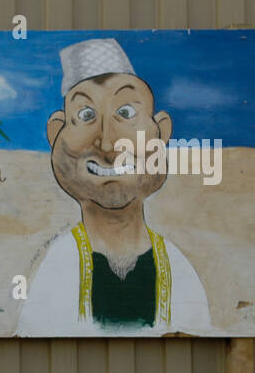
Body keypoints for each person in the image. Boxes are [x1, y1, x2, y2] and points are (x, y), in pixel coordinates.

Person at [16, 38, 212, 336]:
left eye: (127, 114)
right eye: (85, 116)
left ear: (162, 131)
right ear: (56, 133)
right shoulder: (58, 265)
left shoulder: (177, 267)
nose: (108, 143)